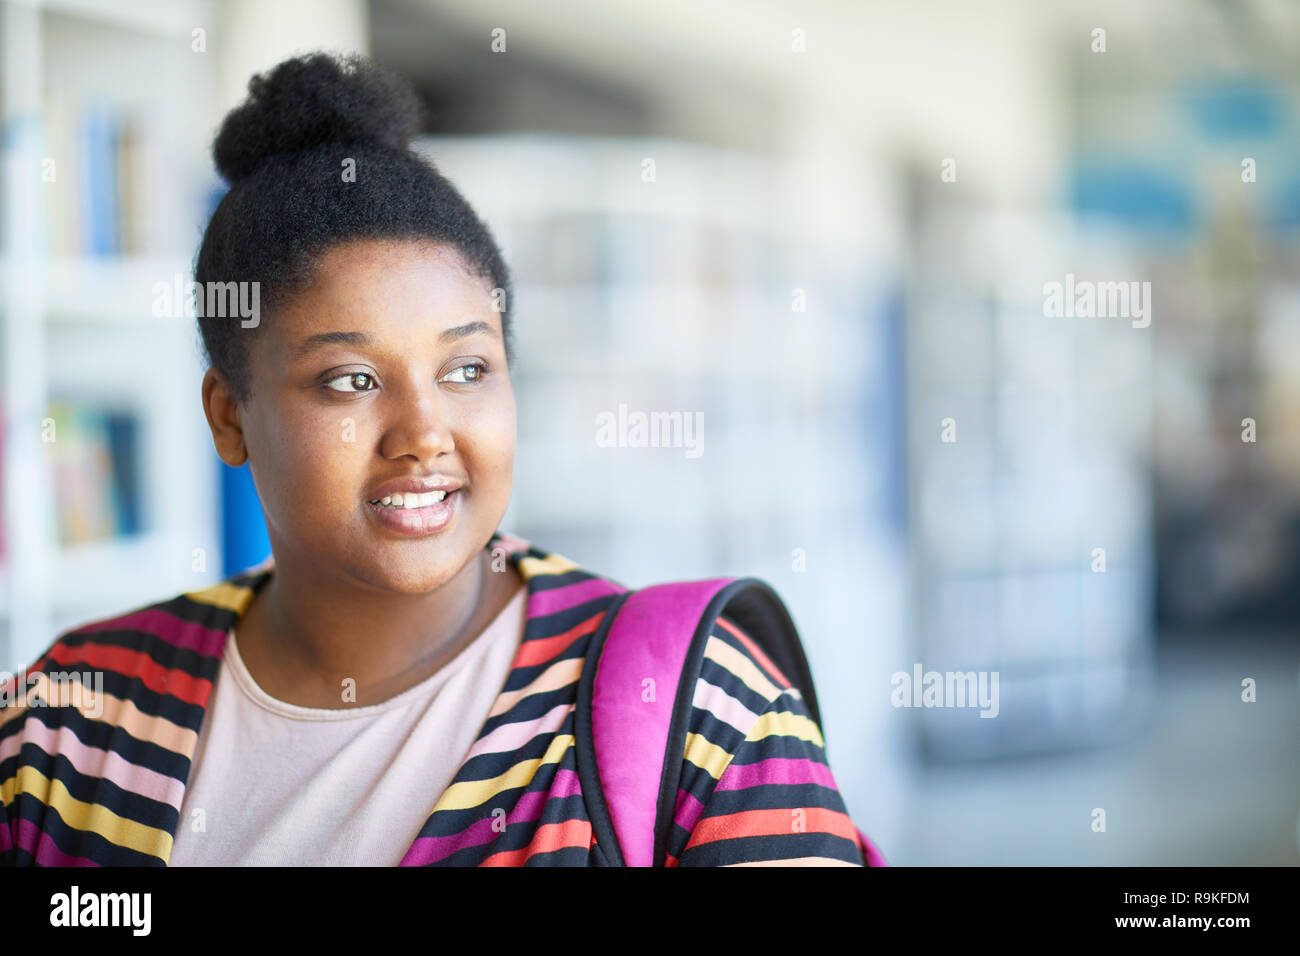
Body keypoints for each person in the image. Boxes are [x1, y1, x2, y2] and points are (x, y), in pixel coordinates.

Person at [0, 51, 872, 867]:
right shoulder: (66, 729)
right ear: (230, 418)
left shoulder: (702, 716)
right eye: (349, 379)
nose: (424, 432)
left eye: (466, 369)